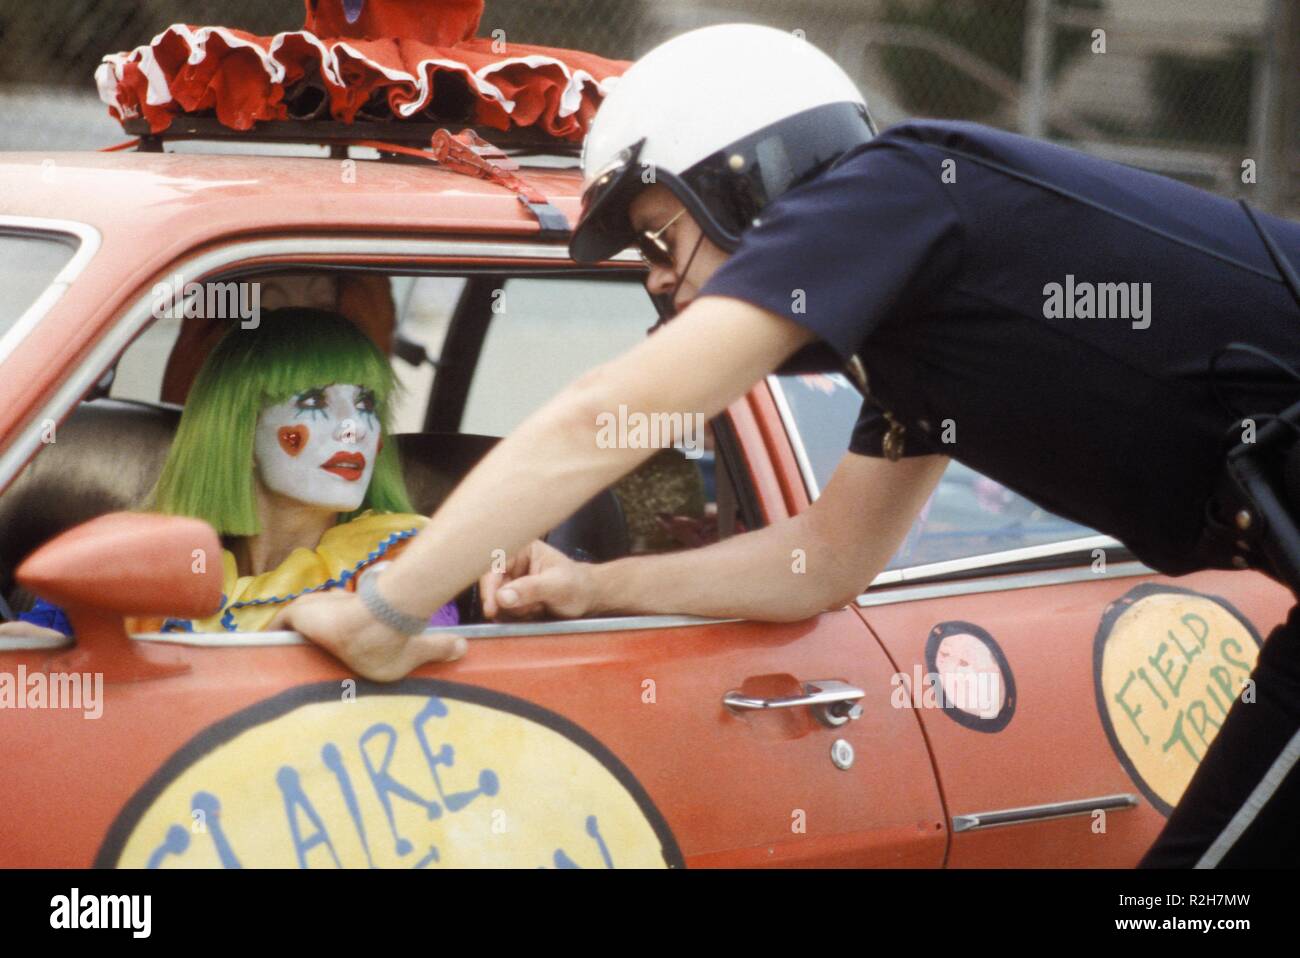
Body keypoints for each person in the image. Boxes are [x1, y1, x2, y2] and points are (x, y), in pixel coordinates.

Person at [270, 25, 1300, 867]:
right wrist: (597, 586)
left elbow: (604, 414)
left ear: (750, 183)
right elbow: (831, 558)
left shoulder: (897, 188)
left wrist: (384, 608)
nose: (656, 282)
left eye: (660, 237)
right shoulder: (919, 326)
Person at [0, 307, 460, 639]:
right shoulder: (146, 560)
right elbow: (40, 655)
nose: (354, 429)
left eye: (366, 404)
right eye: (315, 402)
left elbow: (424, 660)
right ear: (239, 430)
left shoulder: (399, 557)